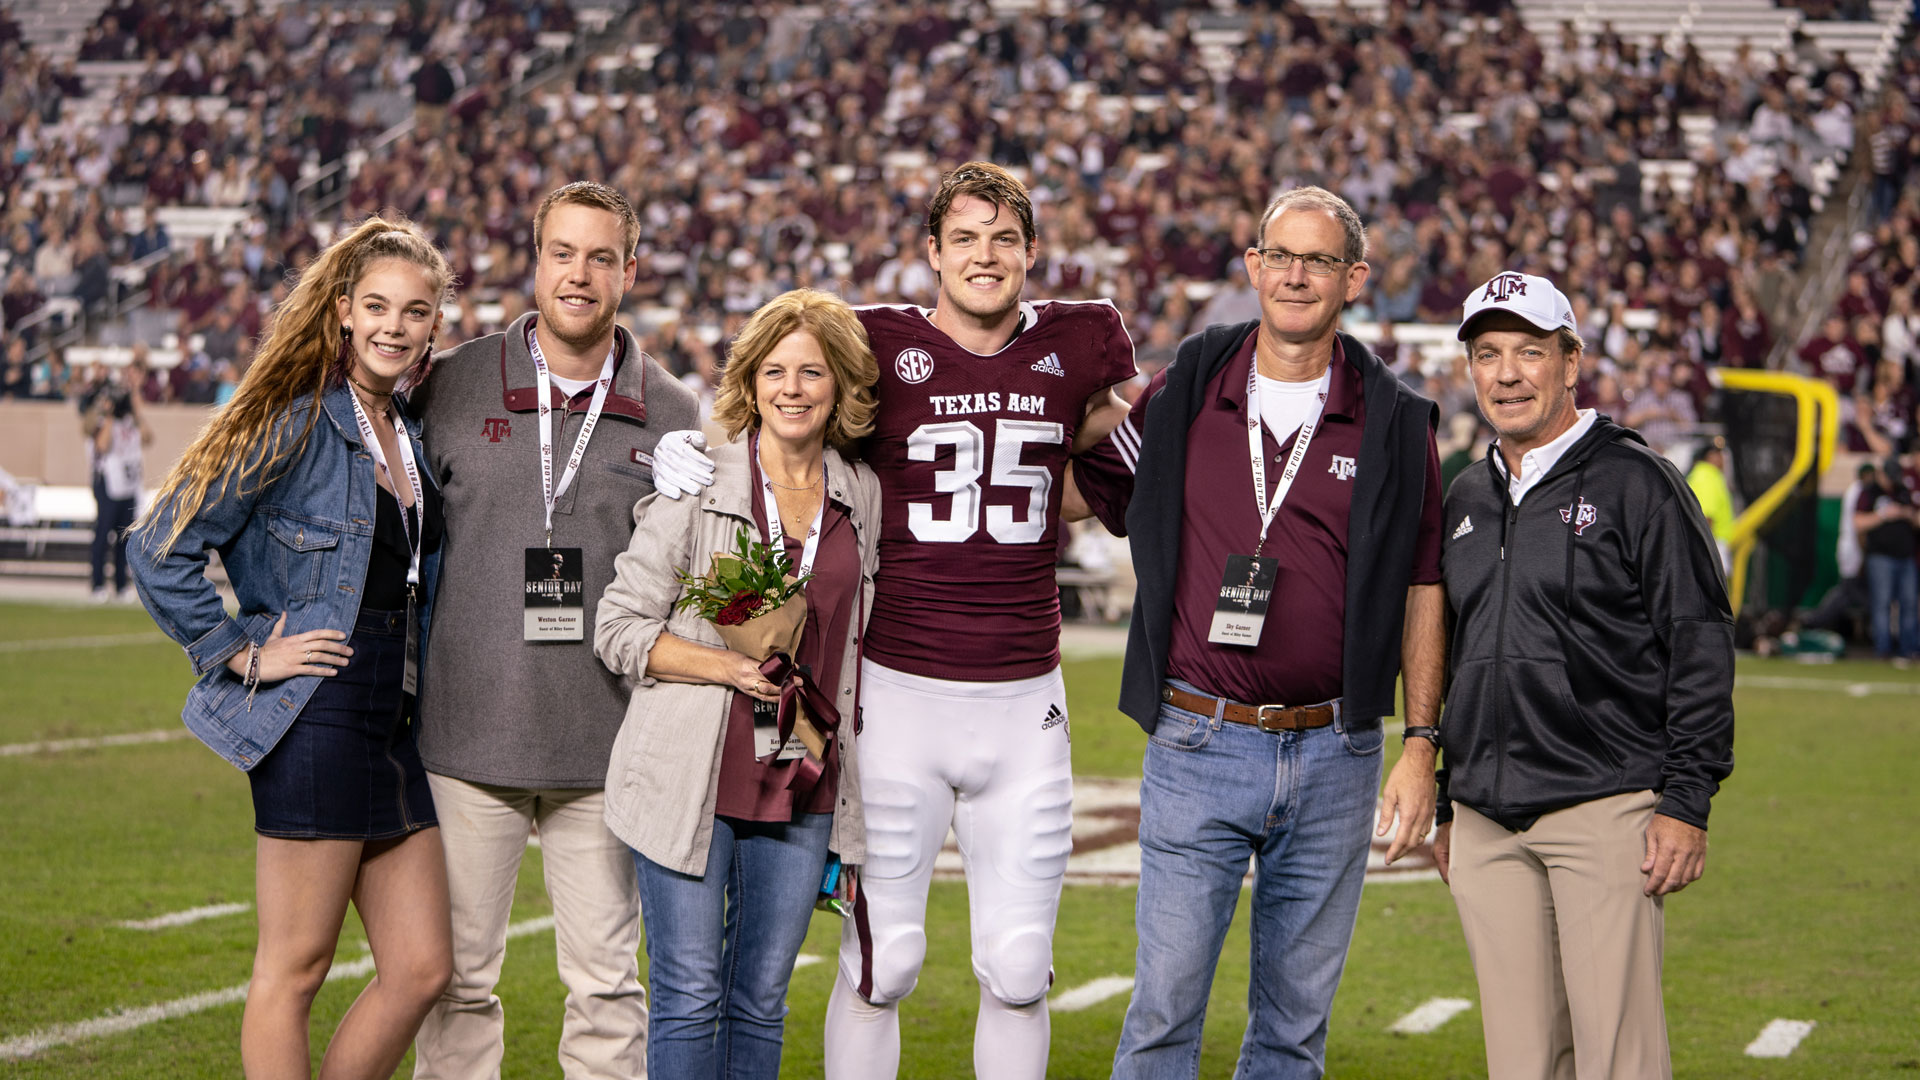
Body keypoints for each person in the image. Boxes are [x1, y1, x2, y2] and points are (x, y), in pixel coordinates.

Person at [653, 161, 1136, 1080]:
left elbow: (1085, 474)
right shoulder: (874, 344)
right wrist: (699, 445)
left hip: (1025, 695)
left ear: (1033, 252)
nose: (984, 256)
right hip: (898, 696)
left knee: (1021, 965)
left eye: (1003, 238)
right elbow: (782, 401)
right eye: (964, 238)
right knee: (884, 964)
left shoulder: (1080, 343)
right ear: (931, 253)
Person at [1072, 185, 1446, 1079]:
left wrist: (1422, 741)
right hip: (1199, 738)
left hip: (1336, 752)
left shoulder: (1397, 418)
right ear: (1253, 267)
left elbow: (1425, 582)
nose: (1295, 275)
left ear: (1354, 278)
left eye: (1319, 260)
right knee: (1163, 1011)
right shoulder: (1190, 383)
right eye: (1280, 255)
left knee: (1292, 1029)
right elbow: (1096, 482)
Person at [128, 217, 455, 1079]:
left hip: (395, 712)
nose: (395, 326)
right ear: (344, 311)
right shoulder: (296, 419)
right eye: (377, 306)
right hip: (318, 710)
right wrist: (239, 650)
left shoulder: (408, 432)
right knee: (296, 966)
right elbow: (158, 543)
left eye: (415, 312)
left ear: (433, 325)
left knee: (422, 967)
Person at [407, 181, 698, 1080]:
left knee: (608, 990)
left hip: (607, 750)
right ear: (534, 263)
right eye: (562, 253)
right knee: (455, 985)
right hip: (464, 737)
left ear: (630, 271)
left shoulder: (677, 414)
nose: (580, 274)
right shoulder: (449, 384)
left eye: (601, 257)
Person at [1433, 270, 1737, 1080]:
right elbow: (1452, 653)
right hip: (1485, 820)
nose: (1505, 373)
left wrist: (1686, 800)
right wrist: (1442, 796)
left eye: (1529, 352)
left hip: (1606, 807)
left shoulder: (1639, 483)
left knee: (1619, 1061)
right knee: (1521, 1063)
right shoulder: (1465, 491)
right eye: (1488, 353)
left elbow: (1700, 644)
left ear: (1572, 362)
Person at [595, 289, 883, 1079]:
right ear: (751, 383)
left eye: (813, 372)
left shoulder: (861, 494)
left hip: (803, 780)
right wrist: (730, 667)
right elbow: (617, 628)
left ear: (841, 387)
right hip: (692, 773)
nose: (792, 389)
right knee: (689, 993)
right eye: (775, 371)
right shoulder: (698, 481)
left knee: (761, 996)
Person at [82, 367, 151, 601]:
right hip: (107, 484)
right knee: (103, 535)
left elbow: (148, 437)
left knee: (125, 537)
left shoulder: (130, 422)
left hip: (128, 485)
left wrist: (134, 402)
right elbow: (101, 445)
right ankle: (97, 584)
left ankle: (121, 585)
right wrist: (109, 413)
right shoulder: (100, 420)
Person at [1854, 456, 1919, 662]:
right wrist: (1883, 515)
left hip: (1906, 557)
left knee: (1908, 603)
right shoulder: (1870, 492)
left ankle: (1908, 649)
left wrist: (1907, 514)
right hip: (1880, 557)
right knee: (1881, 603)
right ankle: (1883, 650)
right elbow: (1858, 523)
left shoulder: (1903, 491)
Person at [1686, 434, 1737, 573]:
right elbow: (1706, 517)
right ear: (1707, 456)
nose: (1721, 458)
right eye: (1716, 454)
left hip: (1713, 543)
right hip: (1712, 544)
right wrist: (1706, 553)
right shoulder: (1706, 476)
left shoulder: (1707, 475)